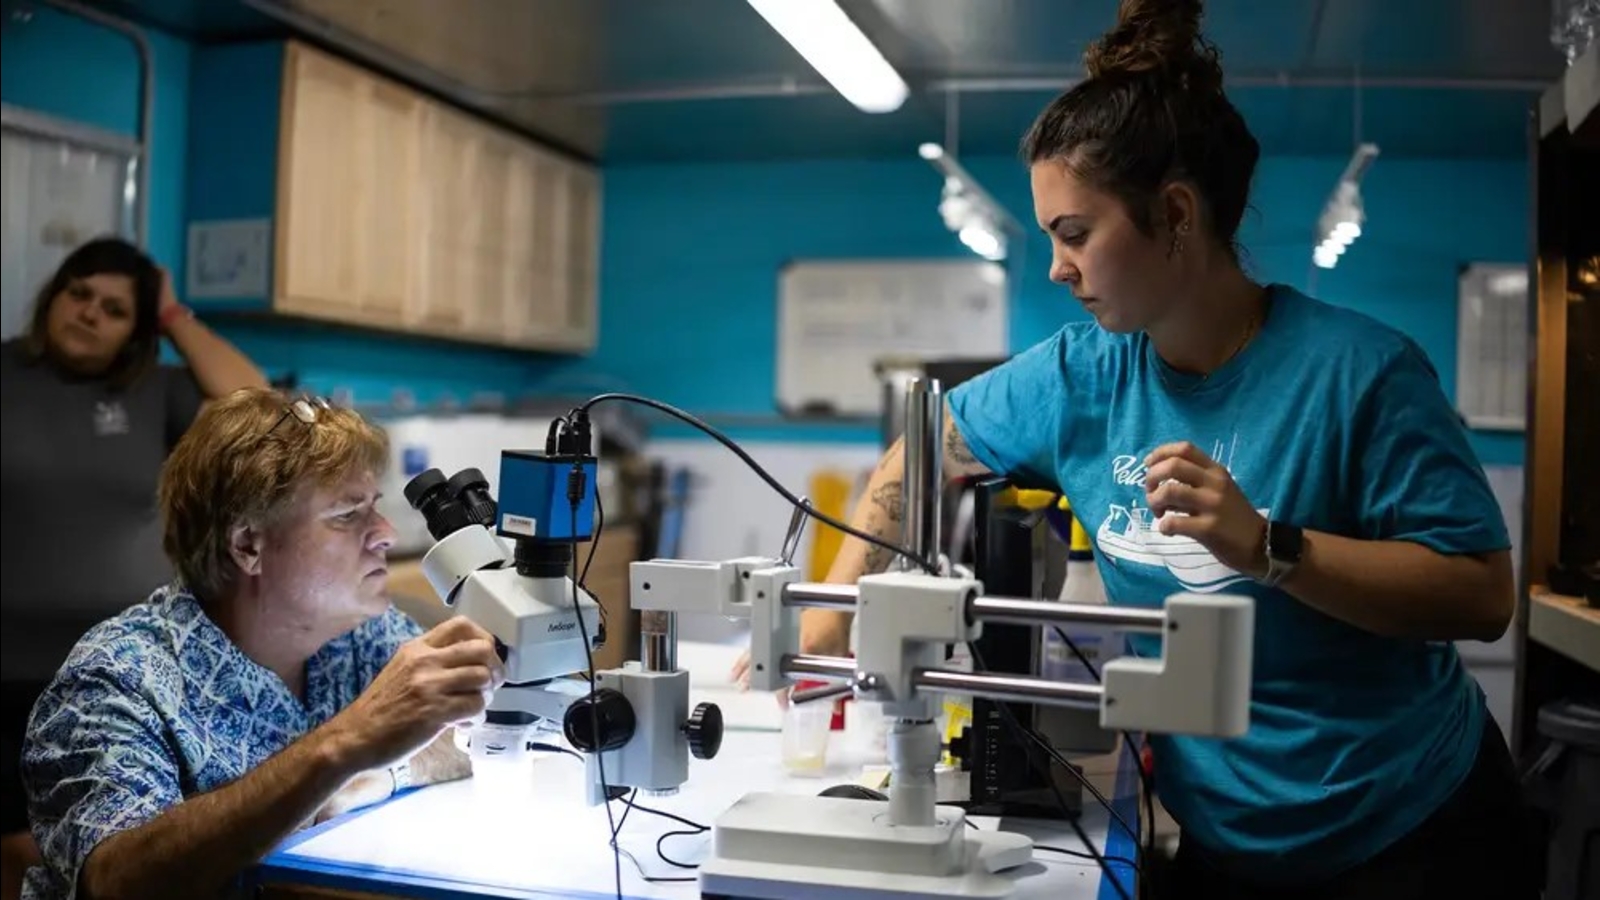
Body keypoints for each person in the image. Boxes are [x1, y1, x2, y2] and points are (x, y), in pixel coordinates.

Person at [746, 2, 1540, 898]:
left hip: (1410, 835)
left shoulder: (1363, 374)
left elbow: (1479, 595)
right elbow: (922, 450)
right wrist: (829, 617)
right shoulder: (1083, 376)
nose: (1056, 266)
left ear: (1172, 214)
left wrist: (1271, 547)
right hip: (1226, 837)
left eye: (1075, 234)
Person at [19, 388, 506, 900]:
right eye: (347, 514)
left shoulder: (361, 635)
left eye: (375, 508)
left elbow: (477, 725)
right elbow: (117, 882)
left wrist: (378, 776)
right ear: (249, 546)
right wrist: (345, 744)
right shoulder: (117, 677)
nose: (384, 534)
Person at [0, 237, 267, 899]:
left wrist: (174, 317)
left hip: (120, 673)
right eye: (79, 292)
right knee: (19, 850)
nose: (90, 313)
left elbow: (255, 400)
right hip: (6, 668)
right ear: (53, 297)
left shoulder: (157, 393)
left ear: (135, 331)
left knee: (115, 853)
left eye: (115, 308)